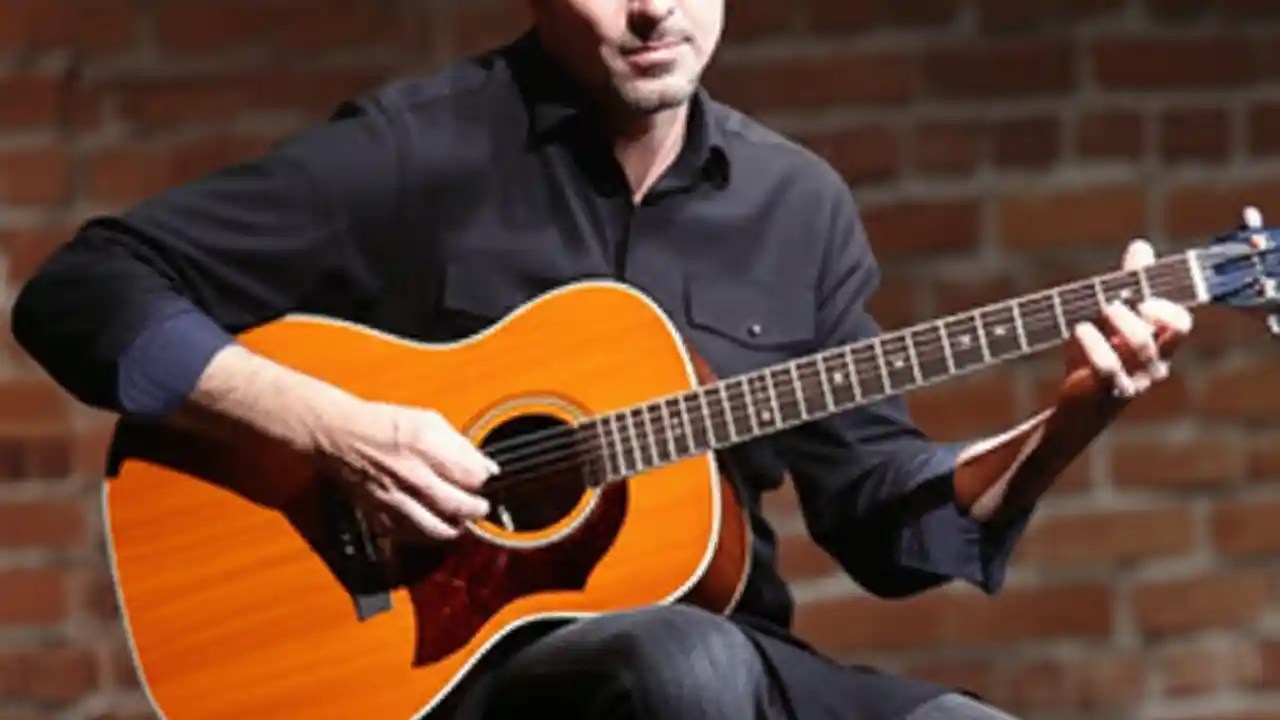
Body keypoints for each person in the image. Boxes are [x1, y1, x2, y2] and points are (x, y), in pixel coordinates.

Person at [10, 1, 1193, 718]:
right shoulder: (413, 155)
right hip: (450, 683)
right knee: (679, 667)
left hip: (728, 664)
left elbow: (883, 524)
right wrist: (336, 431)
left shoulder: (794, 205)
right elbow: (82, 291)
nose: (651, 13)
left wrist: (1068, 423)